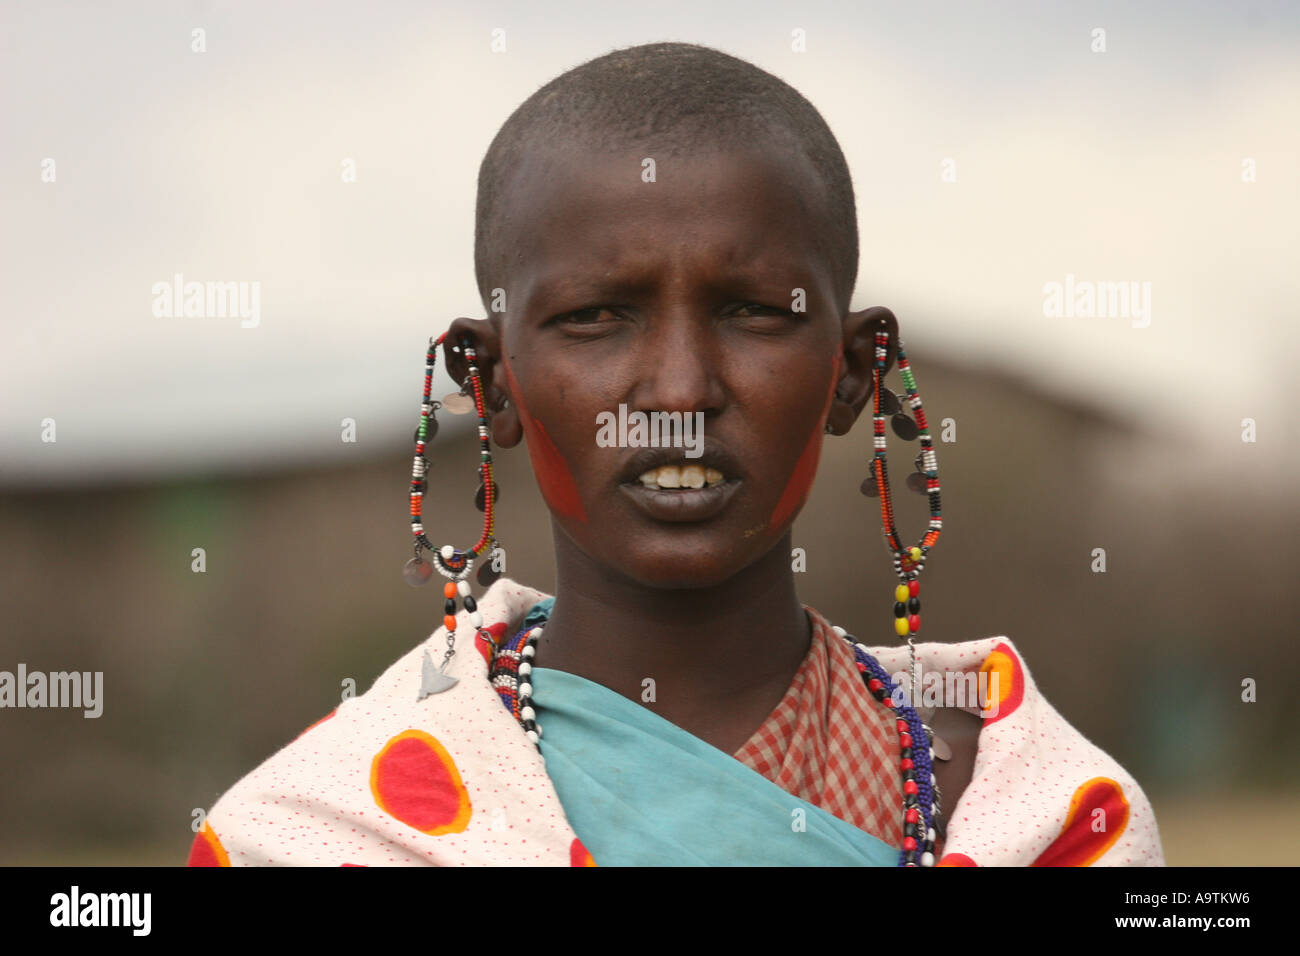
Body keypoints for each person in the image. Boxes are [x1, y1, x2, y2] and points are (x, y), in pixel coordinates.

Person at [189, 41, 1164, 867]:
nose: (679, 390)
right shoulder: (322, 832)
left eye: (751, 313)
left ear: (852, 375)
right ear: (489, 389)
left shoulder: (1039, 814)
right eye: (594, 317)